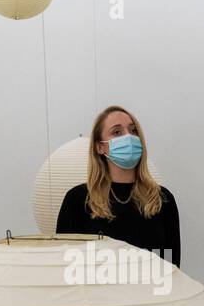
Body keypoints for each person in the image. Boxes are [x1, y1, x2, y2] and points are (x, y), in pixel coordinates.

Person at [55, 105, 181, 267]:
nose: (129, 137)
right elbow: (66, 265)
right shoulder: (78, 199)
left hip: (148, 291)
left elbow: (171, 267)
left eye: (133, 130)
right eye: (117, 132)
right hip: (97, 292)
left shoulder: (162, 199)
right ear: (100, 147)